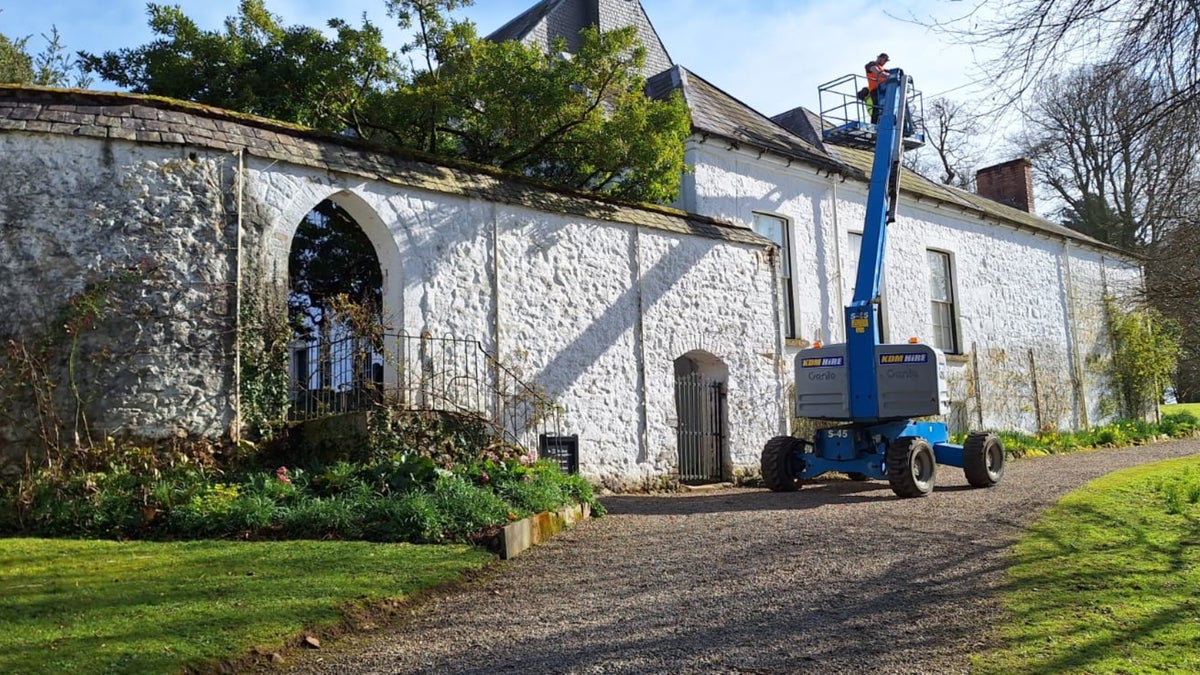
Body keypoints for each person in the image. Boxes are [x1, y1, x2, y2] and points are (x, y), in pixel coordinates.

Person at [864, 53, 890, 124]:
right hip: (875, 90)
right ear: (880, 58)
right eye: (884, 60)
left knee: (886, 108)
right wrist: (889, 75)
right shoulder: (871, 65)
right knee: (877, 107)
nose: (884, 63)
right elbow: (878, 72)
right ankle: (874, 124)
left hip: (884, 90)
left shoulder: (884, 69)